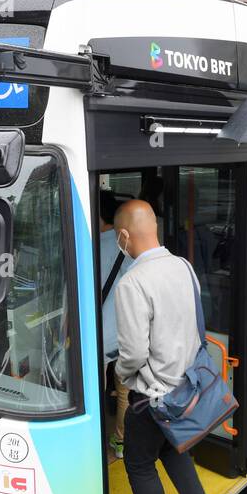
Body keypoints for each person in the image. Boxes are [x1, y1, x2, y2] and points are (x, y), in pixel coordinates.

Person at [112, 199, 222, 494]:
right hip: (186, 386)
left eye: (118, 236)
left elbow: (133, 354)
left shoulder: (132, 282)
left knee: (139, 462)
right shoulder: (183, 266)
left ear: (125, 235)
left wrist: (120, 377)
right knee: (174, 447)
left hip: (152, 395)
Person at [98, 190, 133, 460]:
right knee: (125, 394)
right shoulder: (126, 246)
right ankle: (121, 442)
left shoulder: (88, 246)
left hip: (98, 337)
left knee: (94, 394)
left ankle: (94, 443)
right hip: (126, 334)